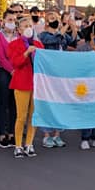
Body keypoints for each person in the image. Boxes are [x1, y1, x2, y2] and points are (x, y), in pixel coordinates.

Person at [8, 16, 43, 158]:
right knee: (21, 116)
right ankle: (18, 145)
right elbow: (15, 63)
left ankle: (29, 143)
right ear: (19, 30)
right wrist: (27, 52)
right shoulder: (13, 45)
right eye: (25, 26)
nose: (28, 28)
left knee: (33, 116)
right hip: (21, 83)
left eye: (30, 25)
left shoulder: (38, 44)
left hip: (36, 84)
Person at [74, 24, 95, 149]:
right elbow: (74, 64)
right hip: (86, 85)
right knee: (87, 111)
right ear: (92, 35)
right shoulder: (82, 49)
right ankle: (85, 138)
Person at [37, 11, 69, 148]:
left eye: (56, 18)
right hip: (48, 76)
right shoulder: (43, 35)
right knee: (47, 104)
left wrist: (71, 27)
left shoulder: (62, 34)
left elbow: (69, 42)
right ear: (47, 22)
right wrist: (61, 32)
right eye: (52, 18)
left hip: (60, 74)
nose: (55, 20)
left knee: (60, 103)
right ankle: (46, 135)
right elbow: (53, 40)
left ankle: (57, 134)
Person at [0, 10, 19, 148]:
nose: (12, 22)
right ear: (3, 21)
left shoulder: (19, 36)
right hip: (4, 72)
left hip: (17, 71)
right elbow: (1, 57)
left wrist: (16, 70)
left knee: (14, 103)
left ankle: (12, 132)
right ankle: (2, 133)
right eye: (9, 19)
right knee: (2, 103)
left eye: (14, 20)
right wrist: (11, 70)